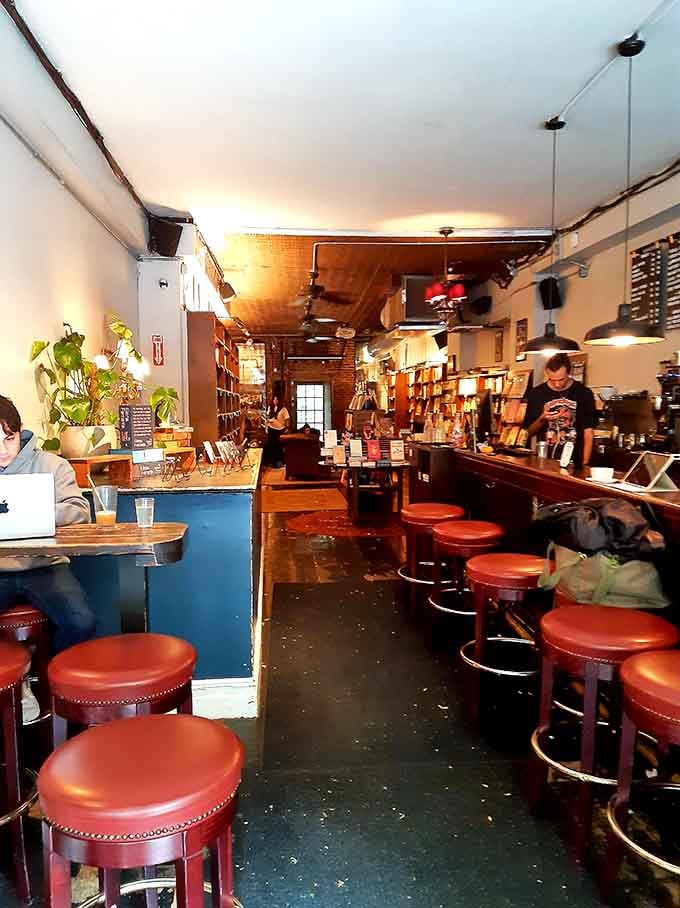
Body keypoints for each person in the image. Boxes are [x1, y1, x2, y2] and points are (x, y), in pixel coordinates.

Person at [0, 396, 96, 717]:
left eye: (9, 439)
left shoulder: (51, 465)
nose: (3, 449)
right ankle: (18, 676)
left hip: (44, 564)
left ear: (20, 432)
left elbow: (80, 511)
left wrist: (38, 512)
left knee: (81, 622)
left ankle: (57, 690)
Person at [523, 352, 596, 467]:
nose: (557, 384)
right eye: (552, 379)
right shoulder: (537, 393)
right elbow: (529, 431)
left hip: (574, 460)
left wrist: (585, 463)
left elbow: (588, 431)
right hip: (543, 460)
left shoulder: (584, 393)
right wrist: (543, 418)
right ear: (547, 373)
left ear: (569, 373)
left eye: (561, 379)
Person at [264, 391, 290, 467]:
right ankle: (272, 462)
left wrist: (287, 428)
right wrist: (267, 424)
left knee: (279, 446)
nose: (275, 401)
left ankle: (279, 462)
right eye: (274, 399)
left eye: (277, 399)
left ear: (279, 400)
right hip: (271, 429)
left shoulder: (283, 409)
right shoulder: (270, 408)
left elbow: (287, 419)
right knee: (271, 446)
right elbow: (268, 417)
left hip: (279, 429)